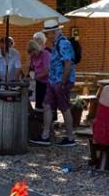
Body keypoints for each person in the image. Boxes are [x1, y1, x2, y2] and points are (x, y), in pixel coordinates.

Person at [31, 19, 77, 147]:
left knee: (64, 108)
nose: (46, 36)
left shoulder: (63, 43)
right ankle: (45, 136)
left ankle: (70, 137)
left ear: (53, 32)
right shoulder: (57, 43)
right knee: (47, 106)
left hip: (59, 81)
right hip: (53, 81)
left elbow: (68, 64)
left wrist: (63, 82)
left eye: (47, 33)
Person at [27, 35, 50, 109]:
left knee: (46, 103)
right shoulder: (33, 56)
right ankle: (39, 117)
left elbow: (47, 71)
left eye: (33, 53)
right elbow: (31, 68)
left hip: (47, 83)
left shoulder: (45, 54)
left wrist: (34, 77)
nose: (33, 55)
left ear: (36, 49)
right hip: (39, 82)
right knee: (39, 103)